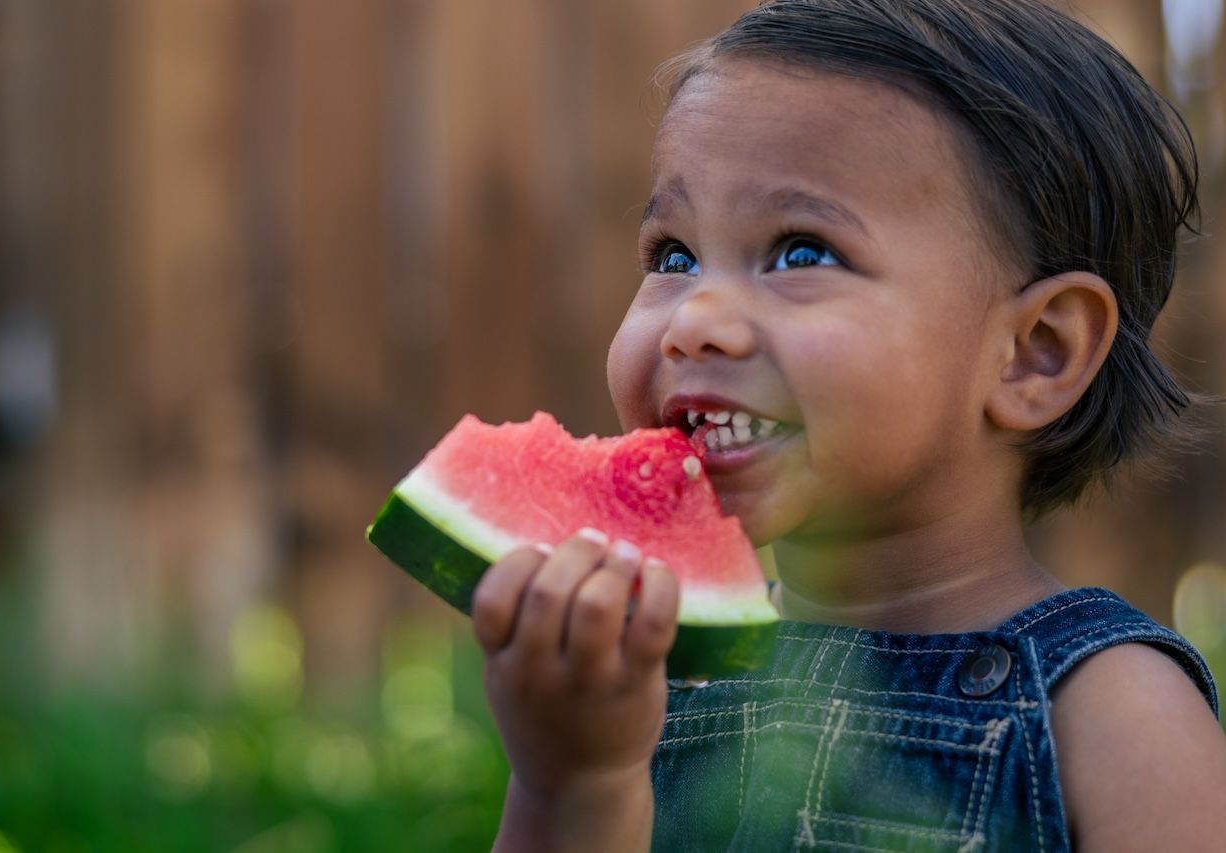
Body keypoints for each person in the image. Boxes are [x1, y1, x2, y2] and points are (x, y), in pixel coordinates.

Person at [469, 1, 1226, 850]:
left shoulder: (1113, 706)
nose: (693, 319)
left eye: (801, 252)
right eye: (674, 255)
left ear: (1034, 353)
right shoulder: (646, 680)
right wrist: (572, 782)